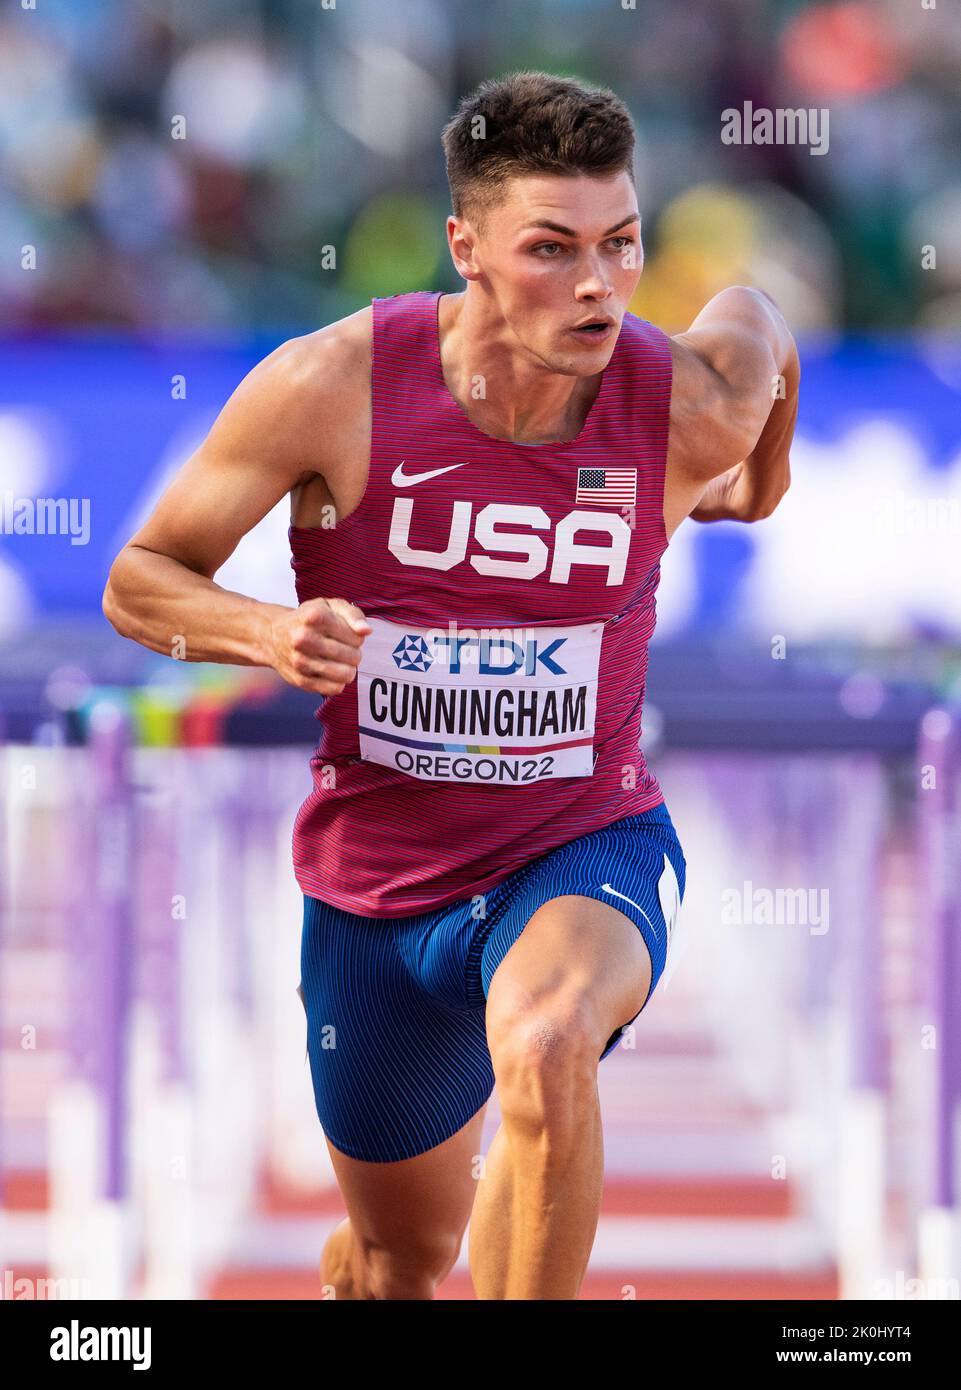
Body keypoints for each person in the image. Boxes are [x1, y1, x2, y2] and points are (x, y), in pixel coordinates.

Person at [103, 70, 798, 1300]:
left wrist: (758, 472)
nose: (597, 285)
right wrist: (265, 631)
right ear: (465, 249)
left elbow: (759, 344)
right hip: (378, 890)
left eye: (621, 245)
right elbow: (141, 580)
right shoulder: (332, 383)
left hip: (579, 840)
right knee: (397, 1264)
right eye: (552, 249)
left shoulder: (683, 400)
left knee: (543, 1045)